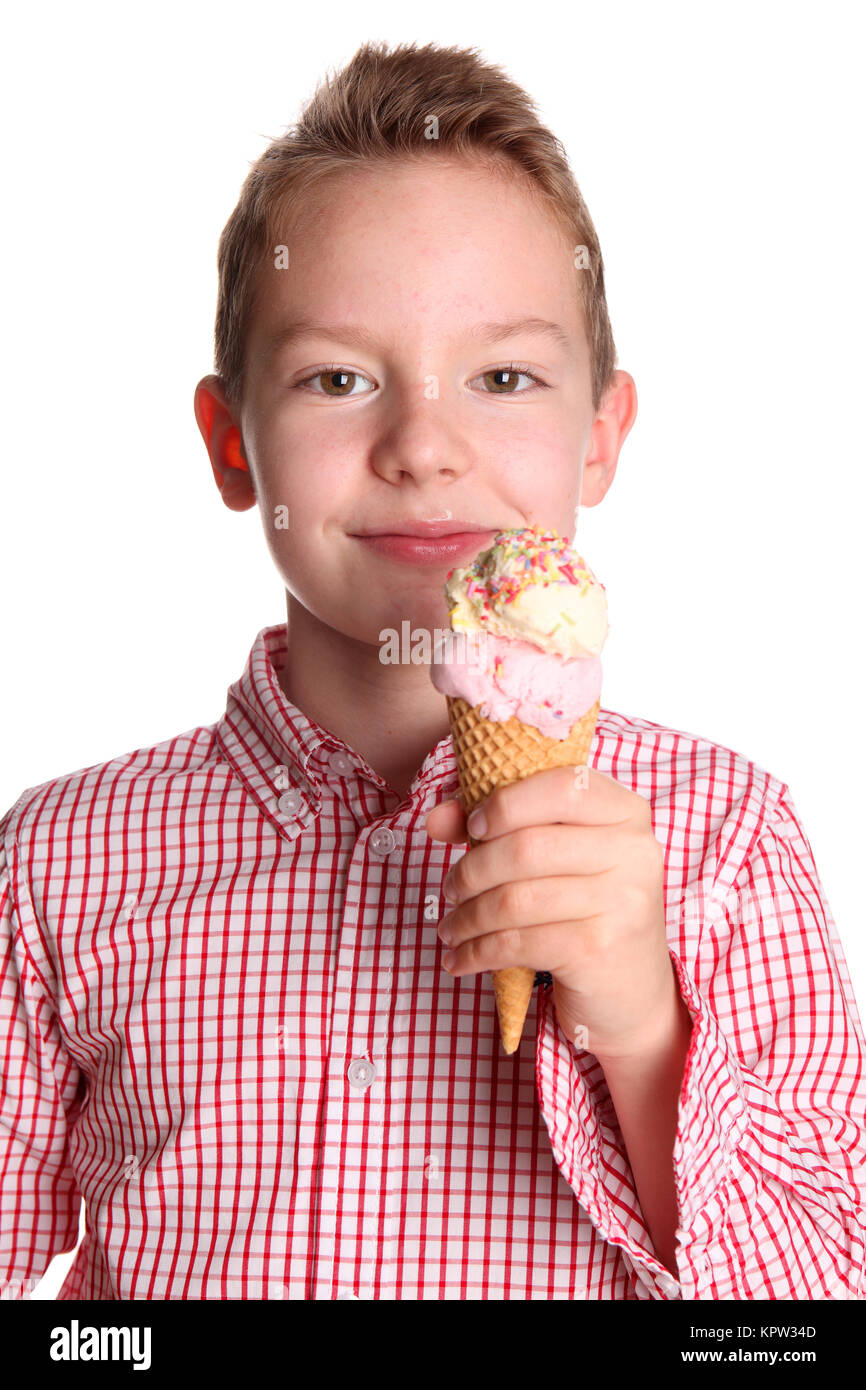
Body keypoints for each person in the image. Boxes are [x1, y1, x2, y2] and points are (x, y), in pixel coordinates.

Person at [2, 39, 864, 1302]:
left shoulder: (724, 841)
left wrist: (641, 1030)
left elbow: (809, 1313)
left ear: (600, 439)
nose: (421, 444)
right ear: (231, 443)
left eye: (502, 376)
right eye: (337, 378)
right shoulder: (58, 863)